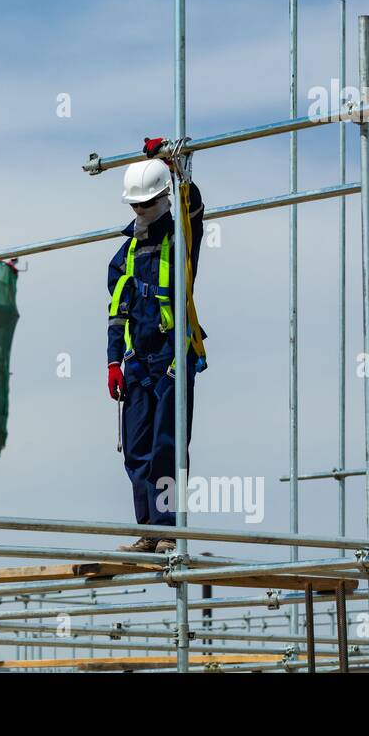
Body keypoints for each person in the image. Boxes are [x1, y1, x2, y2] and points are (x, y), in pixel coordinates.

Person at [105, 139, 205, 555]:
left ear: (163, 197)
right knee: (136, 447)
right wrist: (113, 360)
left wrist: (177, 171)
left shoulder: (180, 240)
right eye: (136, 205)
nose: (140, 210)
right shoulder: (125, 253)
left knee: (167, 445)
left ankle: (169, 529)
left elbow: (194, 211)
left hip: (171, 358)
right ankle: (148, 528)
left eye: (146, 202)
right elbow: (116, 312)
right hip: (137, 363)